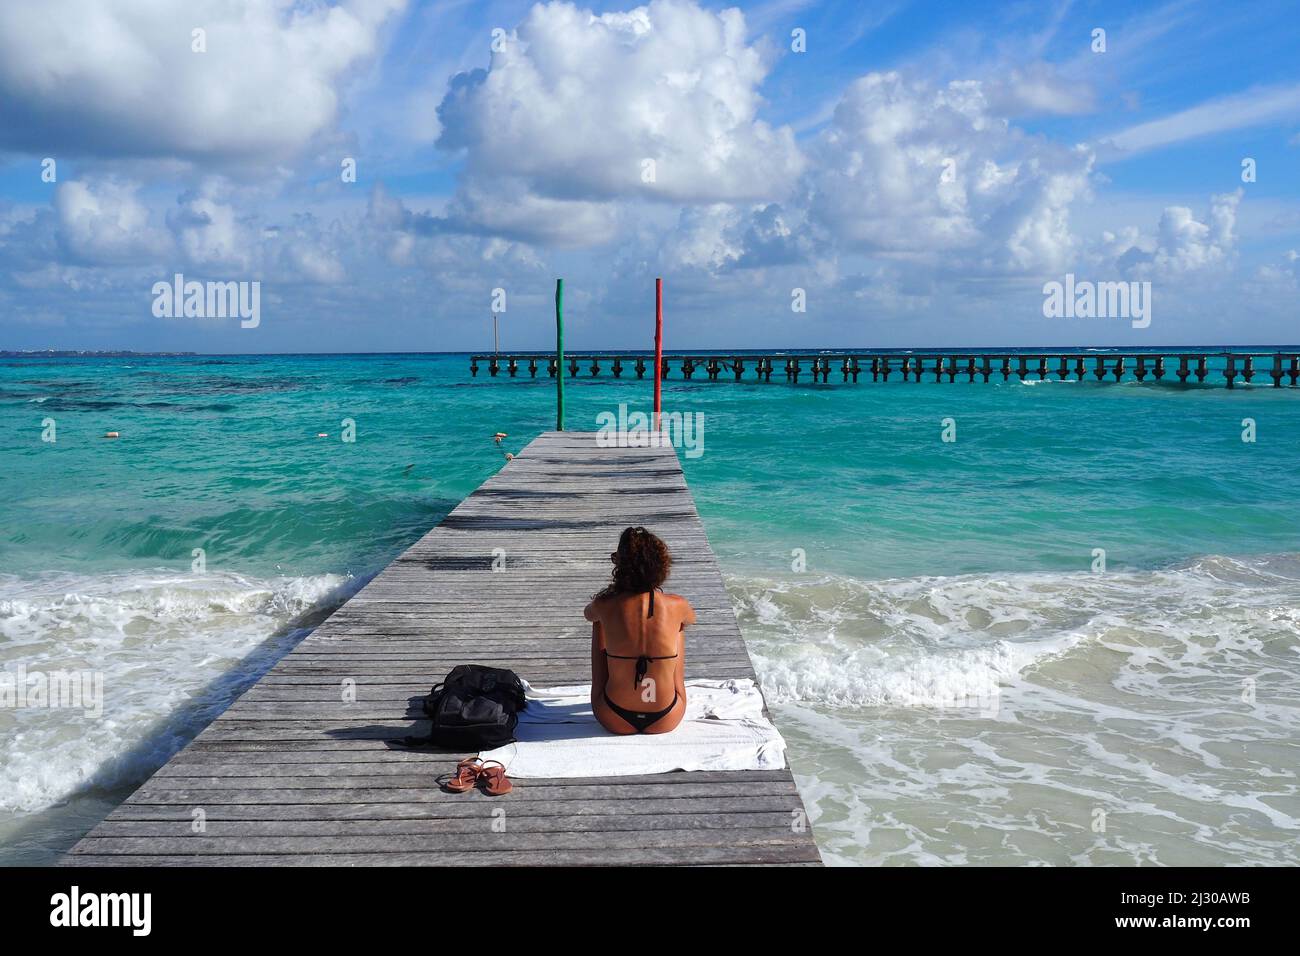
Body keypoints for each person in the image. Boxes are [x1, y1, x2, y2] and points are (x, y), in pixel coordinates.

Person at [584, 526, 695, 735]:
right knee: (678, 625)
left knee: (599, 622)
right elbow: (691, 619)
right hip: (667, 716)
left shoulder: (606, 604)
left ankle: (614, 689)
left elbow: (588, 614)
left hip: (612, 715)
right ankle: (673, 687)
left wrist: (612, 604)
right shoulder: (677, 604)